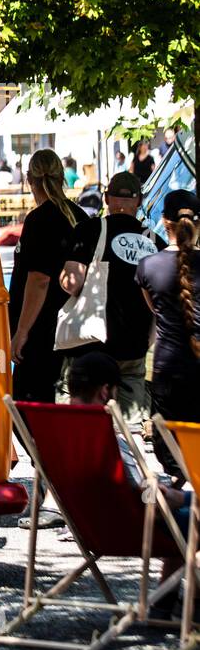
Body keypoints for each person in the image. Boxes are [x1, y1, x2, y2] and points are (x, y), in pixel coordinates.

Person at [66, 350, 192, 618]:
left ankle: (164, 603)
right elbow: (143, 497)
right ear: (104, 392)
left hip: (89, 527)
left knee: (181, 518)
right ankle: (185, 602)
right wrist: (171, 495)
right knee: (191, 513)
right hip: (132, 528)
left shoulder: (53, 433)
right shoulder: (106, 438)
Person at [57, 171, 162, 425]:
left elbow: (72, 283)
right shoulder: (154, 241)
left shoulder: (90, 230)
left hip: (90, 349)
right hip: (133, 349)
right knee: (129, 432)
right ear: (139, 201)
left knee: (79, 426)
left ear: (106, 198)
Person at [9, 148, 88, 403]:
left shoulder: (39, 220)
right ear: (62, 177)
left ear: (29, 179)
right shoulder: (80, 217)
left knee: (31, 410)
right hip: (71, 330)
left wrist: (21, 331)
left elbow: (38, 281)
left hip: (41, 333)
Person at [137, 189, 200, 489]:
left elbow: (154, 309)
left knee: (168, 438)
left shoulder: (148, 266)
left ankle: (181, 484)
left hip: (167, 368)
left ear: (165, 223)